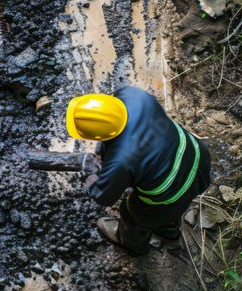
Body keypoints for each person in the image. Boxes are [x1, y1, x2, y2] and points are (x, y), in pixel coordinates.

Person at [68, 87, 212, 255]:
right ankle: (169, 230)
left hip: (170, 192)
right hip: (197, 157)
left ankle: (133, 244)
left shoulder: (121, 160)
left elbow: (103, 196)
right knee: (172, 207)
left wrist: (90, 173)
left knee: (133, 213)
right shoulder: (132, 95)